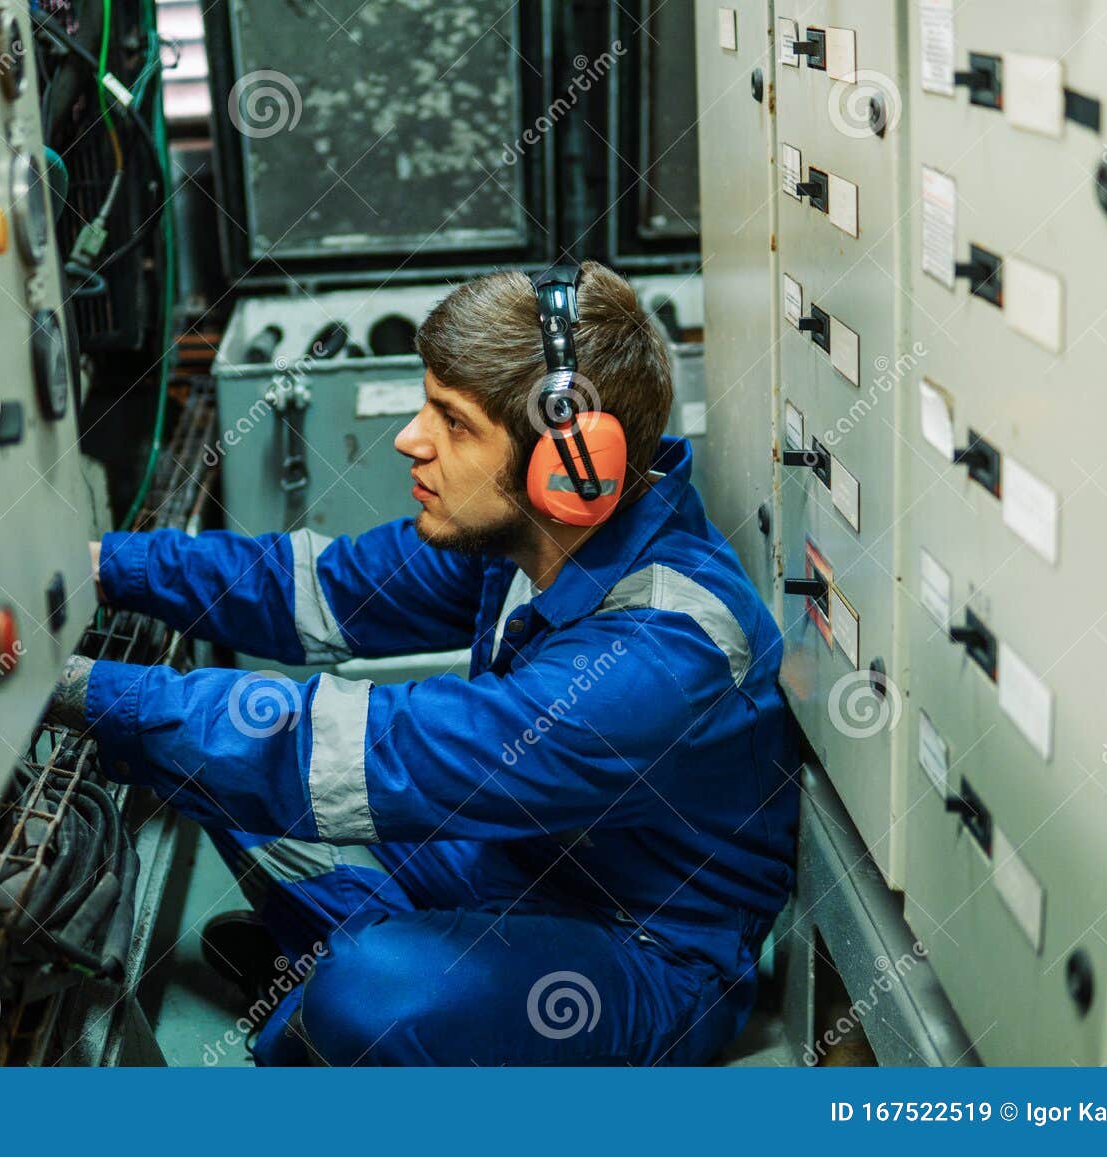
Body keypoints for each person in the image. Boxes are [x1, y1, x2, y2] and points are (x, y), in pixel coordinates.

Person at [46, 260, 797, 1065]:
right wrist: (102, 563)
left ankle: (331, 991)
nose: (411, 438)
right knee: (219, 756)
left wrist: (75, 691)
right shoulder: (529, 536)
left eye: (453, 421)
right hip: (511, 857)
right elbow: (317, 589)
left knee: (367, 983)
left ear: (571, 464)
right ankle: (352, 989)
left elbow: (387, 756)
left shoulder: (658, 654)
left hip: (642, 954)